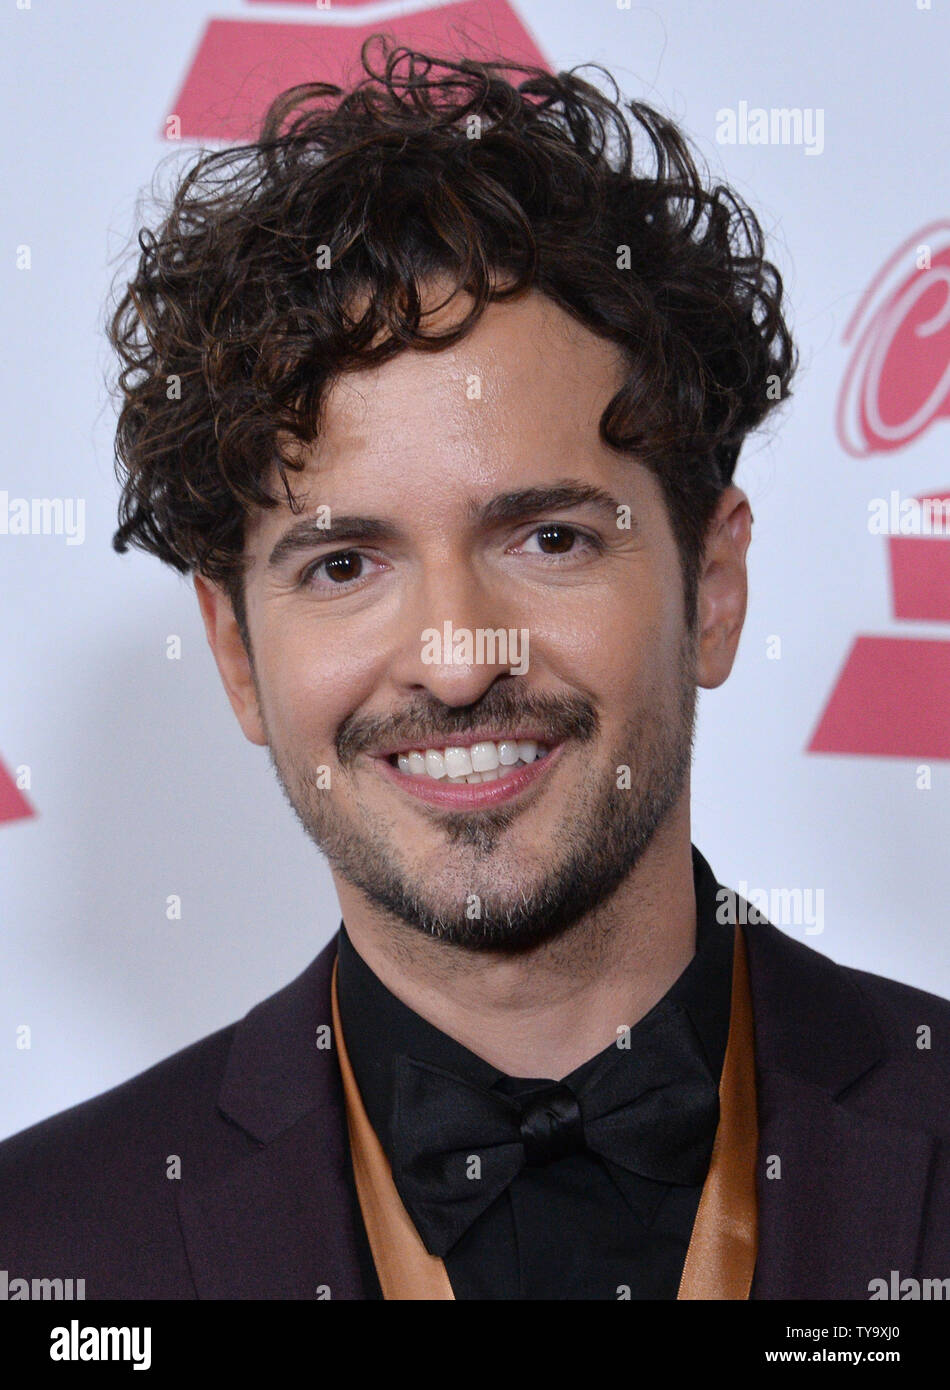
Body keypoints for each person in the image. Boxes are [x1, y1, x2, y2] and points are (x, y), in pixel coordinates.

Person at [1, 36, 948, 1301]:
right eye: (344, 565)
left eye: (547, 538)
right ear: (235, 652)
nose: (453, 662)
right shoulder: (48, 1248)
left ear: (710, 588)